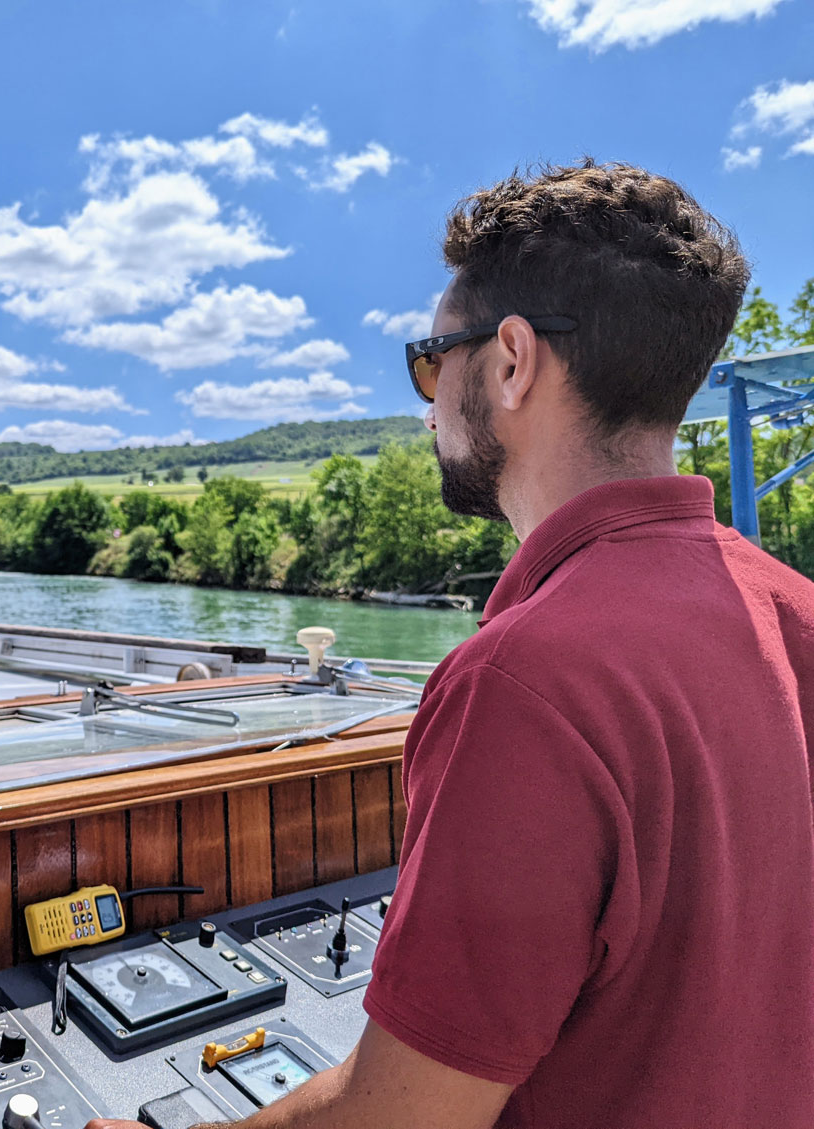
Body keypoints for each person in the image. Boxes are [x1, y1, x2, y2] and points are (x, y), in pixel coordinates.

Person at [86, 159, 814, 1128]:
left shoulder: (525, 681)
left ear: (511, 361)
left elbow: (397, 1118)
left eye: (432, 361)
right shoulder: (796, 611)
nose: (429, 403)